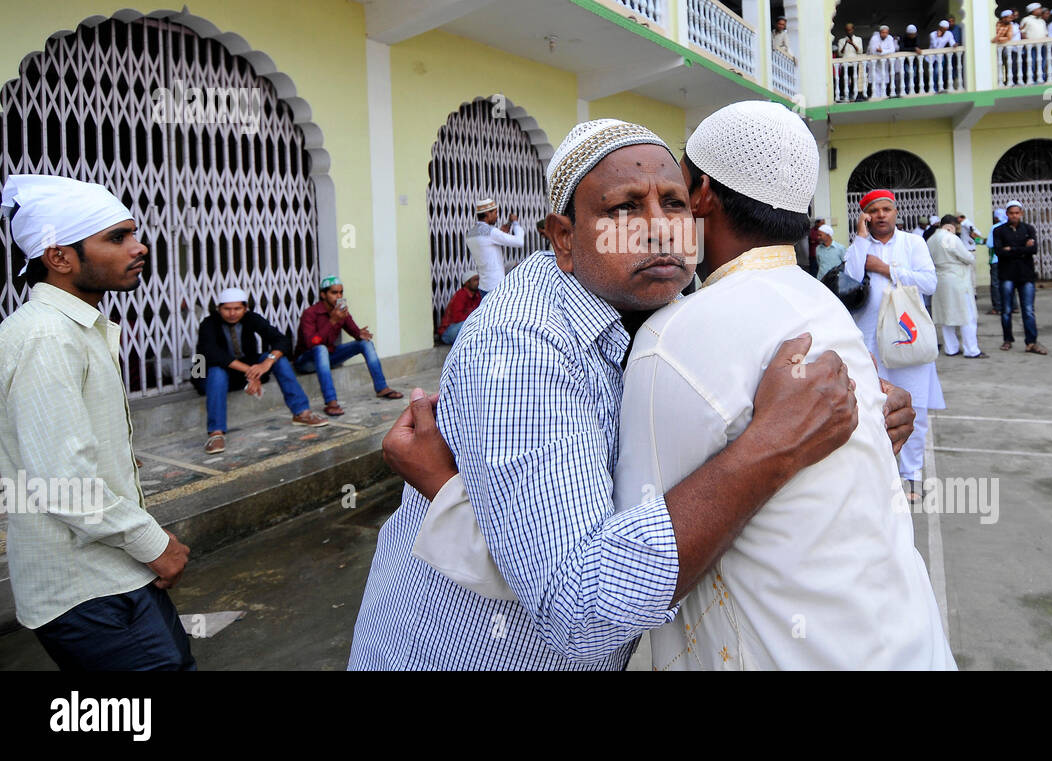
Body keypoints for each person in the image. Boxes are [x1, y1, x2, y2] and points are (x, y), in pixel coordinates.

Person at [349, 115, 916, 669]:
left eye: (673, 203)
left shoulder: (671, 312)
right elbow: (582, 614)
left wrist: (863, 413)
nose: (657, 226)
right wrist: (775, 444)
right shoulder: (521, 346)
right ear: (564, 238)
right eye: (622, 208)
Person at [0, 174, 194, 670]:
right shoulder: (46, 336)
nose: (139, 246)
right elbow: (65, 483)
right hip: (86, 588)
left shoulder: (77, 329)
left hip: (113, 574)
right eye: (116, 237)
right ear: (60, 258)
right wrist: (156, 545)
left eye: (133, 233)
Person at [846, 190, 948, 499]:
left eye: (885, 209)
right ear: (865, 216)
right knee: (872, 407)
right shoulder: (859, 247)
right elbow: (850, 279)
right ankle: (883, 473)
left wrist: (885, 269)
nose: (880, 215)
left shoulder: (913, 243)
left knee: (913, 406)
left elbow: (929, 282)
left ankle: (911, 474)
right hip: (871, 343)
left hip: (909, 342)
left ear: (896, 212)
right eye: (872, 211)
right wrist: (861, 238)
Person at [192, 286, 326, 454]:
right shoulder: (208, 323)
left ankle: (302, 413)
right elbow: (210, 353)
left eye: (237, 308)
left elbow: (281, 340)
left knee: (279, 359)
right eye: (227, 308)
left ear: (245, 308)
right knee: (217, 371)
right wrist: (250, 371)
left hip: (243, 372)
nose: (232, 313)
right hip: (208, 376)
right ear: (219, 309)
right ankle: (216, 433)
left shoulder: (251, 318)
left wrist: (266, 364)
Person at [295, 275, 403, 416]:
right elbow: (312, 343)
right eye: (334, 293)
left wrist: (360, 334)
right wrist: (332, 321)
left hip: (329, 355)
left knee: (365, 344)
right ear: (323, 294)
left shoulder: (340, 310)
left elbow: (354, 331)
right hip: (306, 361)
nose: (338, 296)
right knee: (321, 349)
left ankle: (382, 387)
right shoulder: (310, 313)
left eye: (341, 292)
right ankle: (331, 401)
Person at [929, 214, 985, 360]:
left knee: (947, 316)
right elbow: (968, 257)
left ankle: (951, 348)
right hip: (957, 280)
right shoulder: (950, 238)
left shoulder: (931, 239)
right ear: (950, 226)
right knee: (967, 316)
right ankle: (971, 350)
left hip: (940, 280)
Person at [994, 201, 1045, 353]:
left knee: (1028, 310)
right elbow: (999, 252)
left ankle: (1031, 342)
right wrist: (1023, 249)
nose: (1014, 215)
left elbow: (1034, 249)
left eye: (1017, 213)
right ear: (1007, 214)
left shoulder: (1029, 229)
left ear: (1021, 213)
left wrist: (1012, 249)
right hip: (1007, 274)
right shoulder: (999, 231)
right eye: (1011, 213)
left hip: (1026, 275)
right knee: (1006, 310)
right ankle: (1007, 339)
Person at [466, 197, 526, 292]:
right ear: (487, 214)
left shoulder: (470, 233)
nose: (497, 216)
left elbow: (487, 250)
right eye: (495, 213)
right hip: (495, 286)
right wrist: (515, 223)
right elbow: (519, 242)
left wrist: (500, 233)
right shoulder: (491, 232)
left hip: (483, 286)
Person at [437, 272, 482, 345]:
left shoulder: (477, 295)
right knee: (470, 324)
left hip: (461, 328)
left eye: (478, 280)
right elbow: (457, 318)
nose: (478, 282)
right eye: (475, 280)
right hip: (448, 332)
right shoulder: (461, 295)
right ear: (467, 283)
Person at [836, 21, 865, 101]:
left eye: (850, 30)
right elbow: (840, 54)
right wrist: (845, 44)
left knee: (854, 80)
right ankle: (844, 95)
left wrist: (852, 44)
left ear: (853, 30)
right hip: (845, 64)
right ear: (845, 31)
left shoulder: (858, 39)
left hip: (854, 64)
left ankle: (853, 95)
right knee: (843, 80)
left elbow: (860, 51)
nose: (849, 31)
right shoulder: (841, 40)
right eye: (847, 30)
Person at [867, 24, 897, 98]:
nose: (884, 34)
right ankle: (876, 97)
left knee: (884, 80)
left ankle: (883, 96)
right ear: (880, 32)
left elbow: (892, 50)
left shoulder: (890, 38)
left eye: (886, 33)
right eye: (883, 32)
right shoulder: (874, 38)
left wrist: (882, 51)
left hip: (884, 64)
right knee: (875, 82)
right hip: (875, 64)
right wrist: (883, 52)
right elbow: (874, 51)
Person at [928, 19, 957, 90]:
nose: (944, 31)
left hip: (940, 57)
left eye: (946, 29)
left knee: (938, 72)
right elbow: (935, 46)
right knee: (933, 73)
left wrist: (954, 44)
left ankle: (939, 87)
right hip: (931, 57)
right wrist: (938, 37)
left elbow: (951, 42)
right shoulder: (932, 34)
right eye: (943, 29)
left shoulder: (949, 34)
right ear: (939, 28)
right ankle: (934, 88)